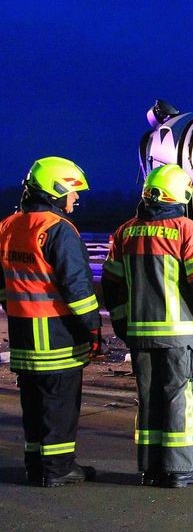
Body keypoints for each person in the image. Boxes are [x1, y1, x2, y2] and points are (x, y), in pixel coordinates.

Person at [101, 164, 193, 487]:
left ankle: (151, 467)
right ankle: (179, 469)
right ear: (181, 195)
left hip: (139, 336)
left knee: (149, 401)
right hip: (178, 336)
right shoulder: (186, 231)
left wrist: (122, 324)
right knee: (179, 400)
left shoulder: (125, 232)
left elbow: (111, 286)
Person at [0, 157, 102, 486]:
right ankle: (57, 469)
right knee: (59, 406)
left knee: (33, 405)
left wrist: (15, 308)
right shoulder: (58, 229)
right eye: (73, 191)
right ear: (56, 189)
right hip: (57, 336)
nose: (76, 198)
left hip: (22, 334)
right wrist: (92, 327)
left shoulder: (8, 226)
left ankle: (36, 466)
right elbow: (78, 289)